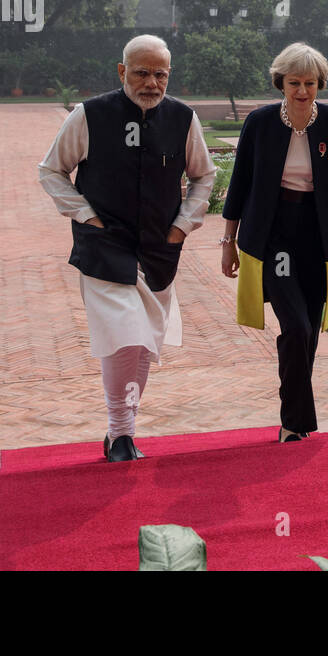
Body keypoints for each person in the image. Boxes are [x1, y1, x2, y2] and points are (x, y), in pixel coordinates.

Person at [38, 35, 216, 462]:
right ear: (122, 72)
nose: (152, 82)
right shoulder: (89, 116)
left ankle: (123, 431)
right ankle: (120, 433)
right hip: (105, 248)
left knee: (143, 342)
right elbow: (51, 171)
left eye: (161, 74)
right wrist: (87, 217)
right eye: (142, 72)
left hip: (159, 249)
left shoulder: (182, 119)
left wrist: (181, 227)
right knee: (124, 337)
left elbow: (204, 177)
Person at [219, 43, 328, 442]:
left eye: (310, 83)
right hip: (274, 234)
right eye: (294, 82)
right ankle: (296, 421)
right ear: (280, 82)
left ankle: (291, 422)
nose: (302, 91)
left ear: (320, 84)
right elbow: (240, 184)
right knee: (297, 328)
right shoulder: (260, 123)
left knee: (309, 334)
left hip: (316, 236)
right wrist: (228, 241)